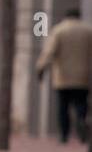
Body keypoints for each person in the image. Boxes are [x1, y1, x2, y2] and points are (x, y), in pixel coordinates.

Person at [36, 7, 92, 145]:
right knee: (81, 103)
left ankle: (64, 135)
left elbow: (49, 52)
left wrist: (41, 68)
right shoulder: (88, 30)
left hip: (63, 77)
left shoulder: (59, 30)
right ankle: (81, 121)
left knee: (63, 107)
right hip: (83, 76)